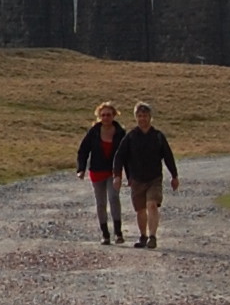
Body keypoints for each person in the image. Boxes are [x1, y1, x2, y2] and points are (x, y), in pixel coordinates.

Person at [116, 100, 182, 249]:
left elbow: (168, 156)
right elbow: (119, 156)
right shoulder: (131, 137)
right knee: (140, 210)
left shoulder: (158, 136)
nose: (142, 118)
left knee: (152, 205)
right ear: (136, 117)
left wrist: (174, 176)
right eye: (139, 115)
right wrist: (117, 176)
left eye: (145, 115)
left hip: (154, 179)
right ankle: (143, 236)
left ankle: (152, 236)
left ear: (150, 117)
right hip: (136, 179)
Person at [74, 101, 128, 244]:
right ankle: (105, 234)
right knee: (100, 203)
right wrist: (81, 169)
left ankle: (118, 232)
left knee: (114, 198)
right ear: (99, 116)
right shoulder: (93, 132)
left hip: (113, 171)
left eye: (108, 115)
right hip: (97, 171)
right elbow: (83, 151)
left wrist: (129, 173)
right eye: (103, 115)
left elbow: (127, 154)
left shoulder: (120, 133)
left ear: (114, 116)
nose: (106, 118)